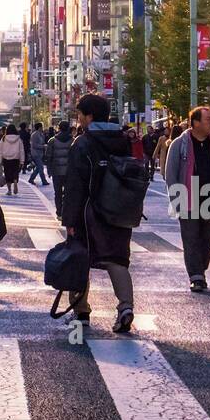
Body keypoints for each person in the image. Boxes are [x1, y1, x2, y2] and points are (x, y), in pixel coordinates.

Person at [61, 94, 135, 332]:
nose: (78, 119)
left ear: (89, 116)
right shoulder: (123, 139)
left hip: (89, 212)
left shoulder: (83, 143)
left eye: (80, 114)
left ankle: (81, 312)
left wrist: (69, 219)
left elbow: (74, 185)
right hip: (120, 209)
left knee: (79, 259)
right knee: (117, 259)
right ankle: (126, 307)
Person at [163, 105, 210, 292]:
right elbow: (170, 174)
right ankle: (196, 276)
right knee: (191, 238)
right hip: (188, 197)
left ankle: (200, 269)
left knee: (208, 238)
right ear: (195, 123)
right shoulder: (180, 144)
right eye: (207, 119)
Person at [45, 119, 74, 218]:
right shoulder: (73, 140)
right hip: (69, 171)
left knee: (57, 192)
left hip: (56, 170)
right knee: (68, 192)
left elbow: (48, 156)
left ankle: (59, 212)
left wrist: (49, 170)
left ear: (59, 128)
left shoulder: (52, 141)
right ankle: (66, 211)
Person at [0, 122, 24, 196]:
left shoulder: (3, 138)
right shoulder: (19, 139)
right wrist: (22, 161)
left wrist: (0, 160)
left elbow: (0, 150)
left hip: (6, 159)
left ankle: (9, 190)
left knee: (7, 174)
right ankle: (15, 181)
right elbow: (22, 150)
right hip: (16, 159)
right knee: (15, 172)